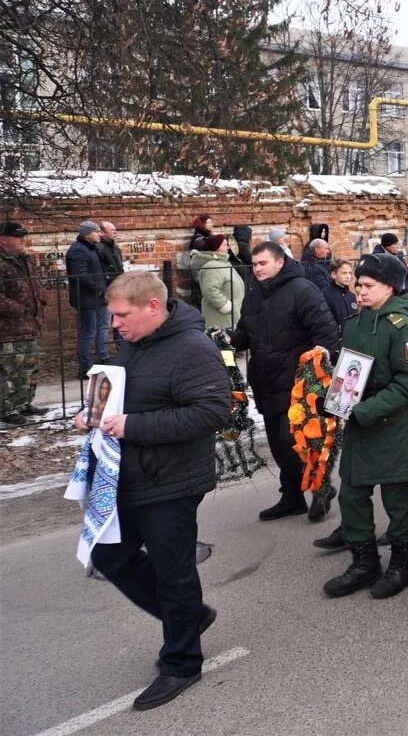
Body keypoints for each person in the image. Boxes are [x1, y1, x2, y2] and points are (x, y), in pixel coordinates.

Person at [78, 271, 230, 711]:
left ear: (152, 307)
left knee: (173, 572)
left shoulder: (193, 350)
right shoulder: (136, 344)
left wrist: (132, 426)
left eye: (122, 316)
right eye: (112, 317)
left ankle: (182, 662)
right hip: (130, 474)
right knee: (109, 556)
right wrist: (93, 415)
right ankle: (190, 617)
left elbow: (211, 413)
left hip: (172, 480)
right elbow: (125, 394)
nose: (115, 325)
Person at [322, 253, 408, 600]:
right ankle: (364, 562)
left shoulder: (403, 328)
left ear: (390, 287)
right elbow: (349, 369)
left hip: (392, 422)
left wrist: (364, 410)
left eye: (368, 286)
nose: (360, 292)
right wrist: (334, 399)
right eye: (358, 285)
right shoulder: (355, 322)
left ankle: (402, 564)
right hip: (359, 419)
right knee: (352, 492)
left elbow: (406, 385)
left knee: (396, 498)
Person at [229, 242, 340, 521]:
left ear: (280, 262)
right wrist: (228, 338)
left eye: (262, 263)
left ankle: (321, 488)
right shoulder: (253, 295)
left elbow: (325, 334)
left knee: (295, 441)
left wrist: (316, 374)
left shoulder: (303, 290)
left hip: (297, 383)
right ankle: (291, 496)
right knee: (278, 446)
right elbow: (245, 332)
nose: (257, 269)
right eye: (254, 265)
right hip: (265, 381)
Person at [0, 221, 47, 424]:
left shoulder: (24, 260)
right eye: (18, 237)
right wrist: (18, 308)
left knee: (29, 368)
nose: (22, 240)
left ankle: (23, 403)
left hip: (30, 325)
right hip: (8, 329)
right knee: (9, 370)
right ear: (3, 239)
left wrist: (41, 297)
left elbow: (34, 284)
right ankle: (7, 410)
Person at [67, 220, 109, 377]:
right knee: (88, 332)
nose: (101, 234)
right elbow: (81, 275)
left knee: (101, 328)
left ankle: (102, 360)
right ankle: (85, 367)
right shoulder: (78, 250)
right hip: (87, 299)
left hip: (99, 298)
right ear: (87, 233)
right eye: (97, 231)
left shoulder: (92, 248)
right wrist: (98, 290)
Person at [189, 235, 244, 330]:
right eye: (224, 245)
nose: (228, 247)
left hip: (231, 314)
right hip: (221, 317)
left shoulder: (223, 262)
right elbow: (209, 290)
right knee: (222, 343)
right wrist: (225, 306)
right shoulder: (212, 266)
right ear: (215, 248)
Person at [323, 259, 358, 327]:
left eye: (350, 273)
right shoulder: (325, 295)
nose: (348, 277)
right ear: (334, 275)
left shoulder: (351, 296)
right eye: (344, 273)